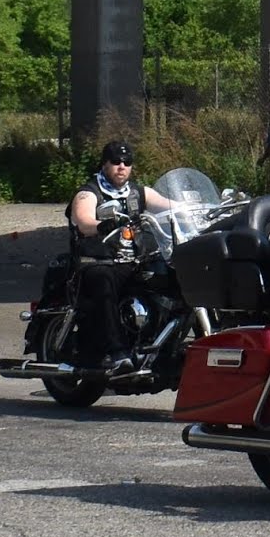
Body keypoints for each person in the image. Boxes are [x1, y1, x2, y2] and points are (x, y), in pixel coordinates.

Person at [65, 141, 172, 374]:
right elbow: (83, 221)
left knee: (169, 274)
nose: (122, 166)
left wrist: (207, 209)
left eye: (127, 161)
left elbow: (171, 207)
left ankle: (157, 343)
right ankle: (117, 353)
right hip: (97, 261)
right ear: (104, 164)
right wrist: (102, 224)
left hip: (132, 261)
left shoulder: (138, 192)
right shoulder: (89, 193)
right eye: (115, 161)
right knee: (104, 281)